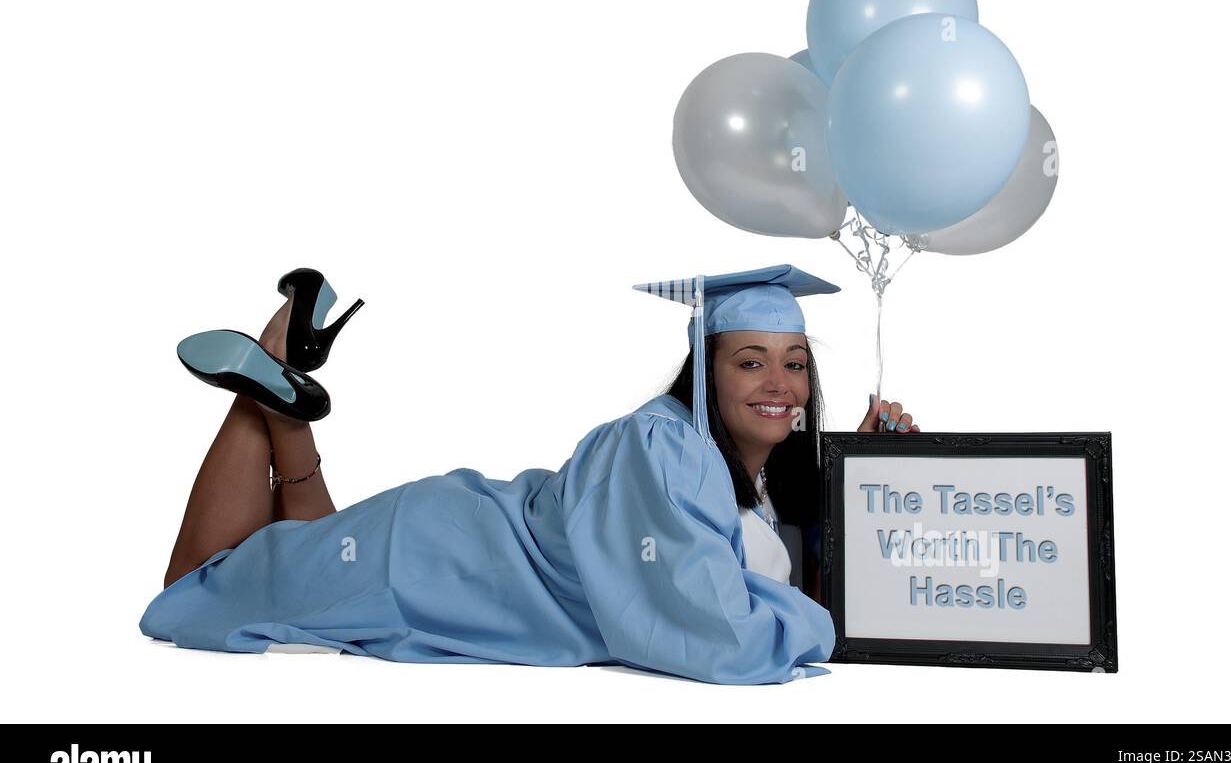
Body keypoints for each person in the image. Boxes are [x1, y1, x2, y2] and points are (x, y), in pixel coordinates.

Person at [142, 264, 920, 685]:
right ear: (705, 374)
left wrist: (864, 482)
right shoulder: (667, 446)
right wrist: (826, 630)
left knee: (305, 548)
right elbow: (718, 638)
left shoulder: (743, 480)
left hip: (445, 553)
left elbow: (758, 568)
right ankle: (265, 390)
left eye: (794, 364)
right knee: (196, 587)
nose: (777, 383)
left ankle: (284, 393)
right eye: (750, 361)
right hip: (437, 566)